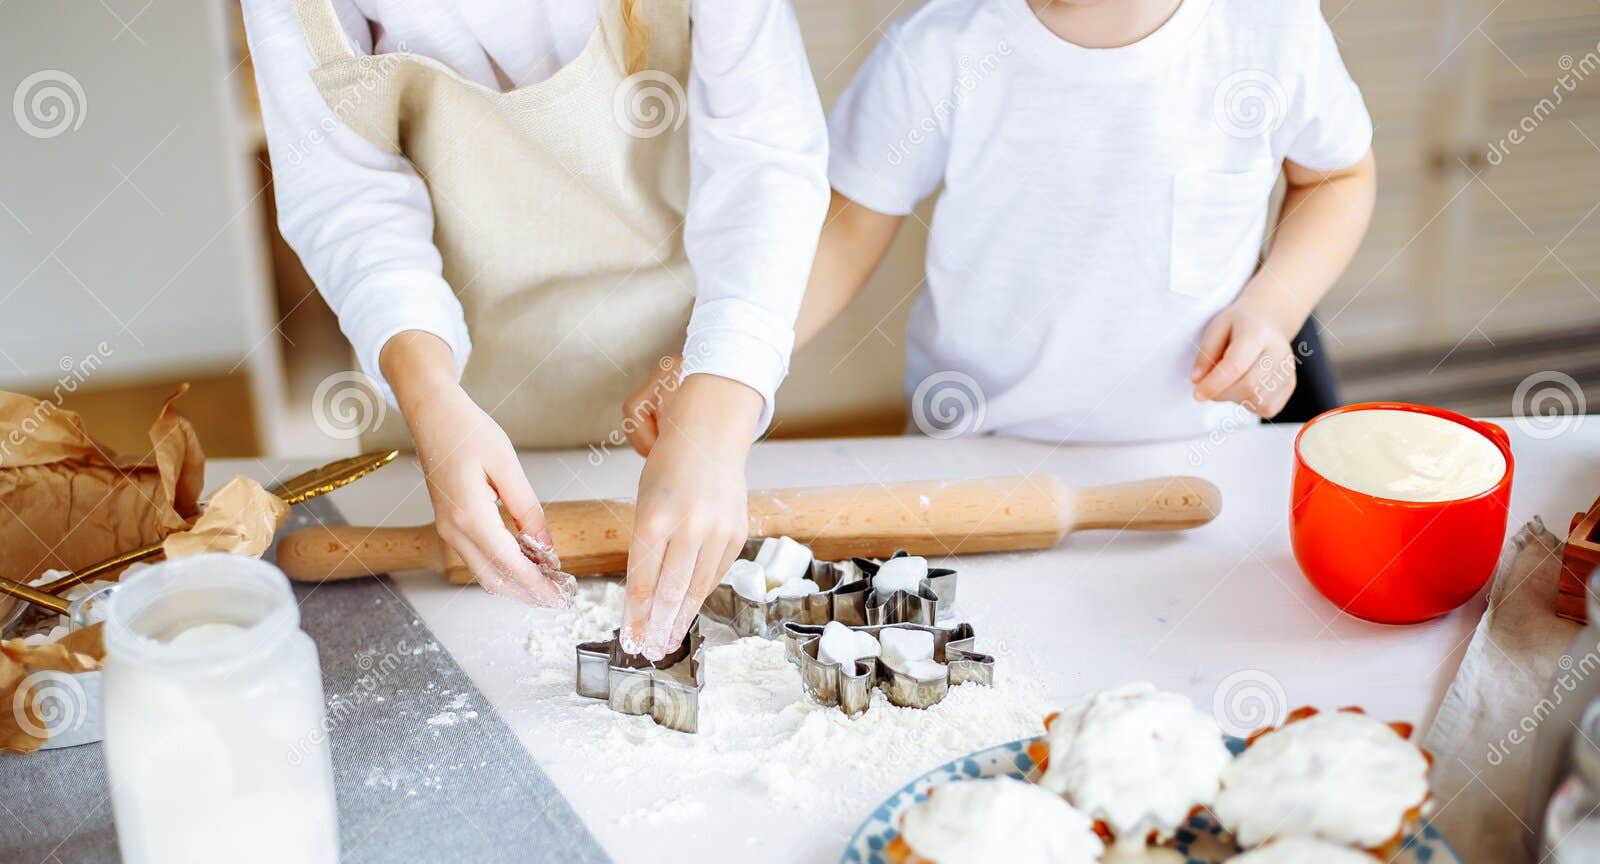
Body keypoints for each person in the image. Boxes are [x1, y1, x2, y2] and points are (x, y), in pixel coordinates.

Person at [242, 0, 829, 660]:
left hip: (677, 389)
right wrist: (431, 394)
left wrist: (718, 408)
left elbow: (765, 150)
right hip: (447, 401)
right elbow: (342, 191)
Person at [718, 0, 1377, 443]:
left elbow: (1335, 176)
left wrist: (1276, 306)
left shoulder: (1267, 27)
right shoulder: (948, 40)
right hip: (977, 457)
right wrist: (726, 364)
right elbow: (845, 228)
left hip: (1195, 457)